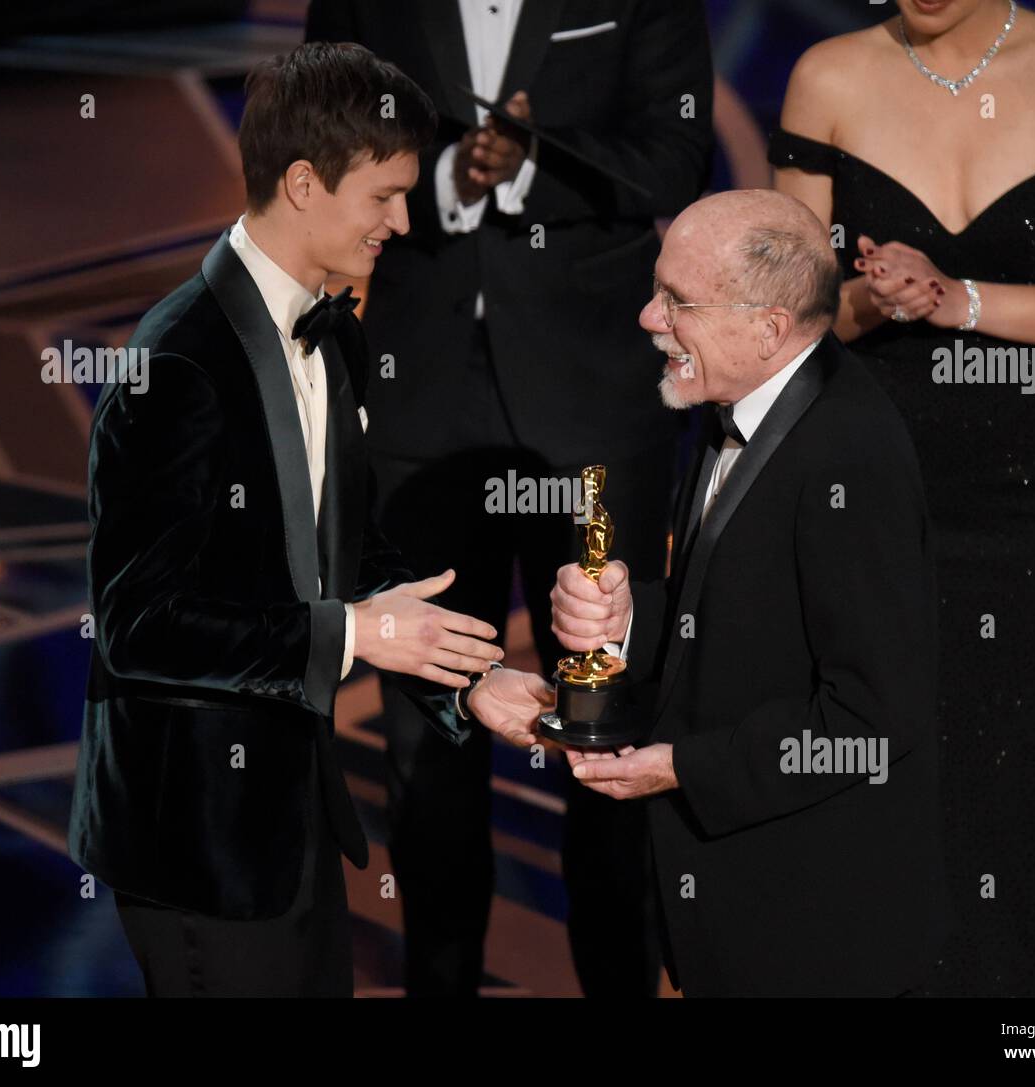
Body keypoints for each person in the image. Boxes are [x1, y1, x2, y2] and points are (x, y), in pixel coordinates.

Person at [68, 42, 548, 997]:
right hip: (197, 842)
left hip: (292, 819)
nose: (403, 222)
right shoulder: (177, 364)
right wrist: (361, 633)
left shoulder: (334, 334)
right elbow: (139, 624)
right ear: (302, 183)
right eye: (383, 196)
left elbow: (347, 546)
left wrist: (472, 676)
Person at [305, 0, 714, 996]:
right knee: (429, 722)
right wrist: (448, 176)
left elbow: (674, 155)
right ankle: (438, 983)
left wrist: (529, 163)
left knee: (606, 719)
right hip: (420, 402)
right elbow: (321, 131)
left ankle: (620, 982)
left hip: (595, 410)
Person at [769, 0, 1035, 995]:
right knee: (887, 752)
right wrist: (874, 298)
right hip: (875, 475)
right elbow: (790, 319)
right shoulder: (827, 77)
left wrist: (961, 299)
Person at [540, 189, 946, 996]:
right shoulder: (738, 402)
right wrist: (627, 619)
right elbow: (733, 618)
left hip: (818, 935)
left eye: (677, 302)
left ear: (768, 328)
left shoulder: (848, 455)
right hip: (748, 910)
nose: (648, 319)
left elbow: (873, 718)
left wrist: (682, 767)